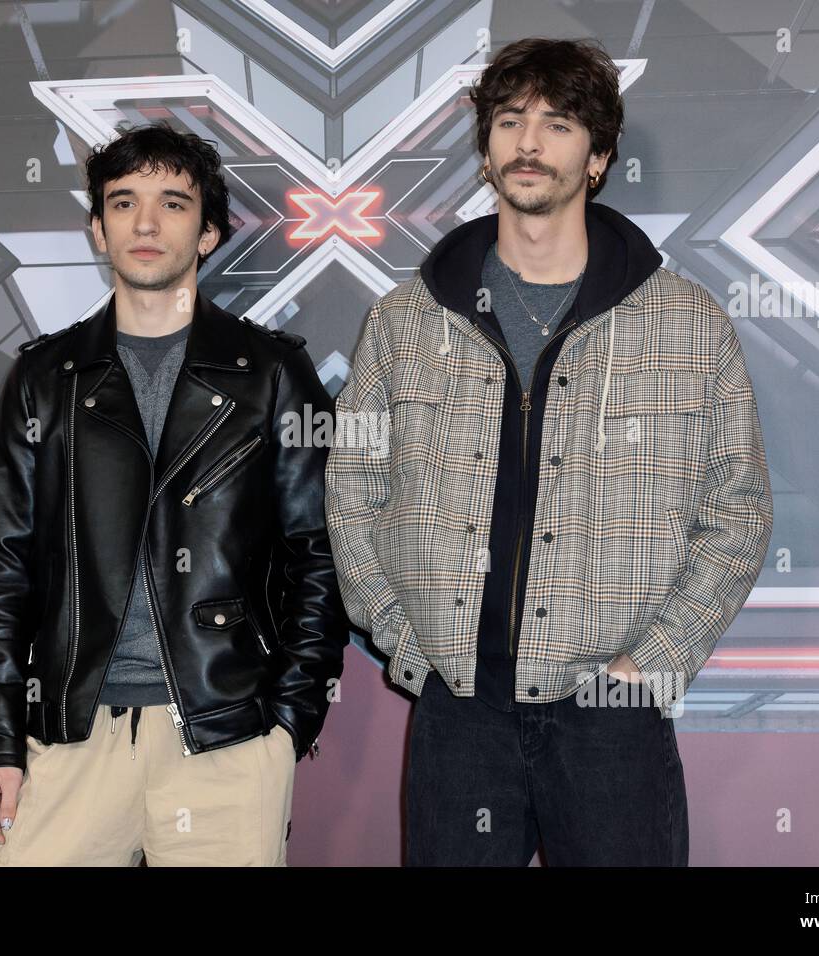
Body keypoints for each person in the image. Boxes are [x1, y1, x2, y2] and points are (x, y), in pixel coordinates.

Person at [325, 37, 773, 866]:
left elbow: (736, 513)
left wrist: (652, 666)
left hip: (611, 709)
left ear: (598, 157)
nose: (529, 143)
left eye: (559, 124)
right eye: (509, 121)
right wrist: (403, 636)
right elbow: (352, 489)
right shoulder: (406, 321)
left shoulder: (685, 324)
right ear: (487, 147)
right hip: (458, 708)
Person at [0, 121, 346, 866]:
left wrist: (285, 725)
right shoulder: (46, 379)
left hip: (224, 732)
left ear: (207, 233)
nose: (145, 223)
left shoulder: (270, 375)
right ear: (97, 230)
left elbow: (321, 554)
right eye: (123, 202)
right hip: (71, 732)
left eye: (173, 203)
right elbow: (0, 569)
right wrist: (0, 742)